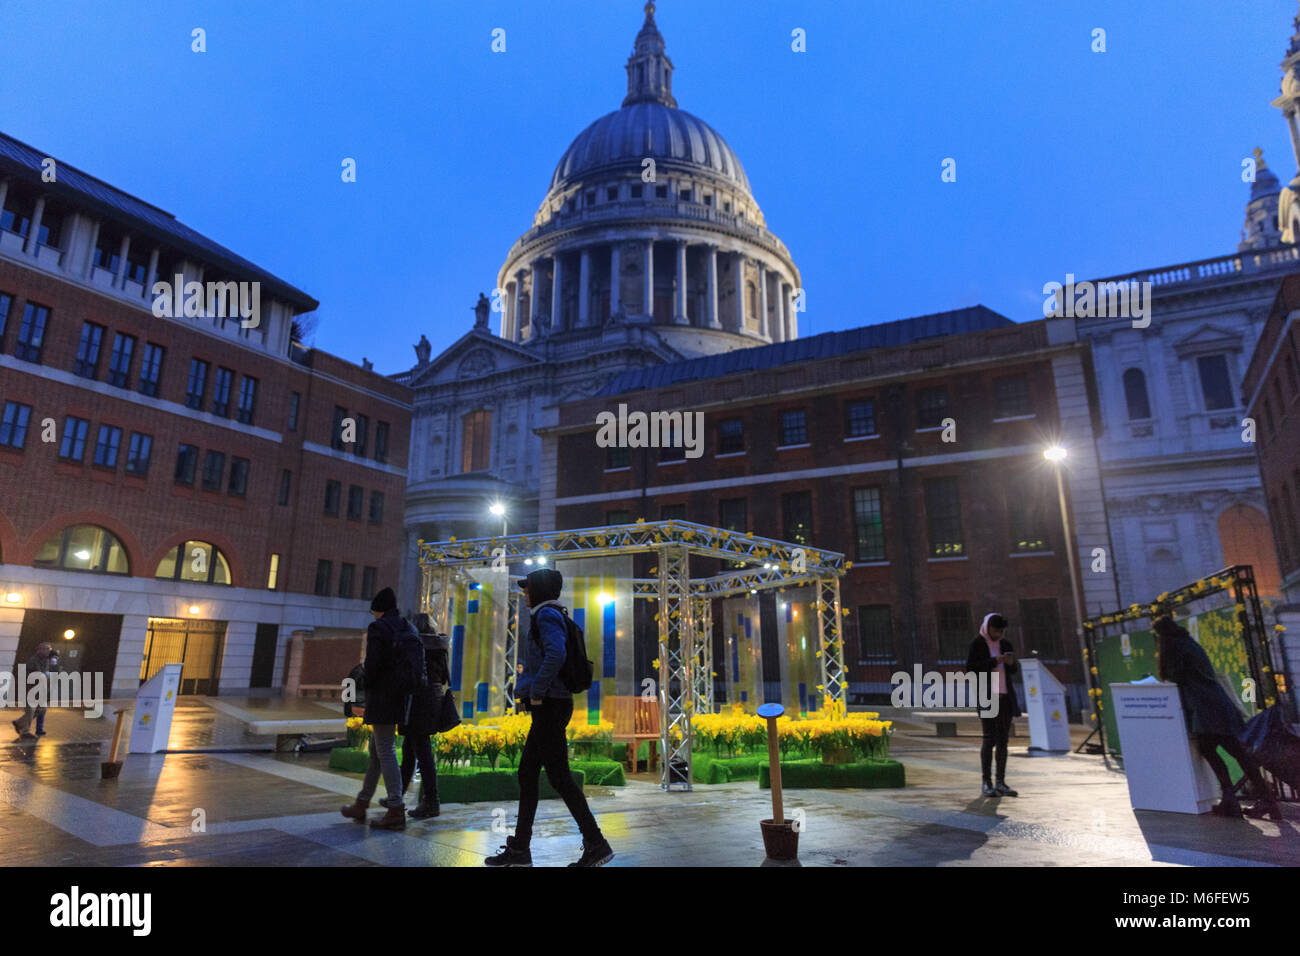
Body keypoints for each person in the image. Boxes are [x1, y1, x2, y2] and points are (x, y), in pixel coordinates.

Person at [485, 568, 613, 867]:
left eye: (528, 588)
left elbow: (556, 654)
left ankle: (596, 843)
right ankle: (521, 850)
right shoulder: (549, 615)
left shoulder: (546, 616)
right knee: (530, 774)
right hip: (550, 704)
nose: (525, 593)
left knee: (558, 777)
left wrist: (538, 690)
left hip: (551, 704)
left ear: (540, 590)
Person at [1154, 616, 1281, 821]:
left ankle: (1231, 798)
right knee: (1236, 752)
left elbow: (1175, 676)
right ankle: (1266, 801)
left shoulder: (1175, 647)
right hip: (1219, 704)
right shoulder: (1190, 644)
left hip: (1205, 707)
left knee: (1211, 749)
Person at [341, 587, 417, 830]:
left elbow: (372, 666)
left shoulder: (379, 627)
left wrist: (368, 684)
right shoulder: (407, 627)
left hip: (383, 697)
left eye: (374, 612)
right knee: (377, 752)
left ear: (378, 610)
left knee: (384, 750)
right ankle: (362, 803)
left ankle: (395, 809)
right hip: (402, 696)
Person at [966, 613, 1022, 798]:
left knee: (1003, 740)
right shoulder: (978, 644)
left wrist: (1011, 662)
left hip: (1005, 696)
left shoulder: (1005, 645)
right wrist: (994, 661)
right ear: (987, 628)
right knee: (989, 738)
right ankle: (986, 782)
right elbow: (971, 669)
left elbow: (1014, 670)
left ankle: (1001, 781)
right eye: (995, 631)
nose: (998, 634)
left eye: (1001, 631)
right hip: (987, 697)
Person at [399, 612, 448, 819]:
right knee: (411, 748)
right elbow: (445, 676)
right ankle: (397, 795)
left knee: (420, 749)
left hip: (418, 699)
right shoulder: (440, 645)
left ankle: (430, 801)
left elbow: (408, 675)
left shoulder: (416, 646)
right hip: (434, 696)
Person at [12, 643, 56, 740]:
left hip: (39, 690)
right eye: (45, 649)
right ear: (39, 650)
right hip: (30, 689)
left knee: (41, 709)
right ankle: (25, 732)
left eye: (49, 649)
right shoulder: (32, 661)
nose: (47, 651)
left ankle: (19, 722)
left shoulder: (46, 660)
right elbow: (30, 675)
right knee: (30, 710)